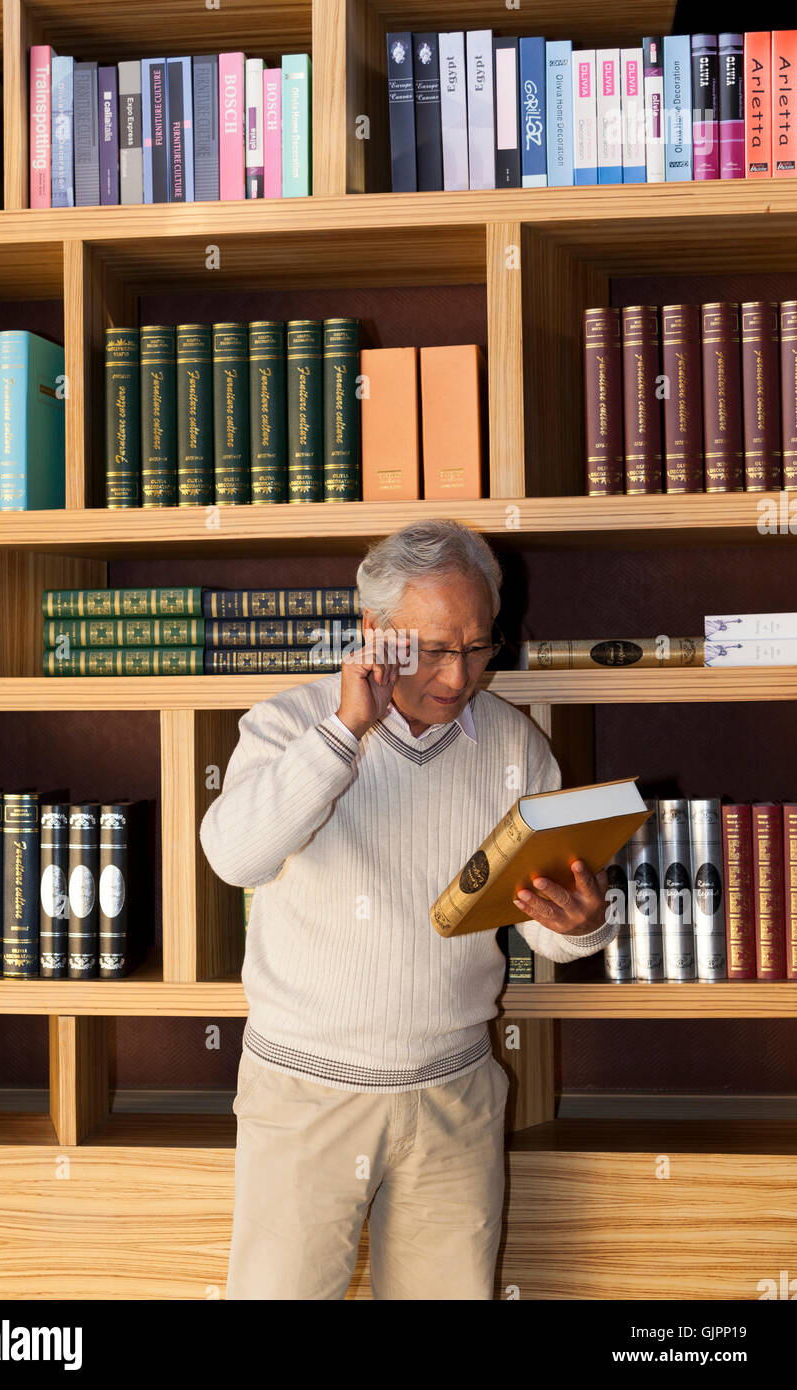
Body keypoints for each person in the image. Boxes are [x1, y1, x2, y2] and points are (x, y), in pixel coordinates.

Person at [200, 519, 615, 1300]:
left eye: (478, 646)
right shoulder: (291, 723)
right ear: (374, 635)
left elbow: (538, 926)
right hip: (304, 1098)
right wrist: (346, 731)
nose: (458, 678)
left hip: (452, 1100)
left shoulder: (515, 747)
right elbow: (233, 857)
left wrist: (578, 926)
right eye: (431, 648)